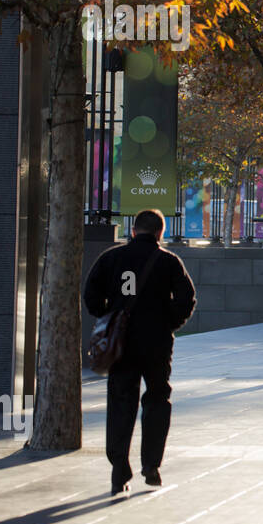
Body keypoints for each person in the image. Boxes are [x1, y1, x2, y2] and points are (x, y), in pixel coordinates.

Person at [82, 208, 197, 495]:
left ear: (132, 231)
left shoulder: (110, 258)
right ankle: (151, 465)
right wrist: (169, 322)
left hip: (121, 344)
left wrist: (108, 315)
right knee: (157, 397)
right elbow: (187, 298)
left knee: (121, 400)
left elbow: (91, 296)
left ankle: (119, 468)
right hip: (156, 342)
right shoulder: (169, 261)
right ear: (161, 232)